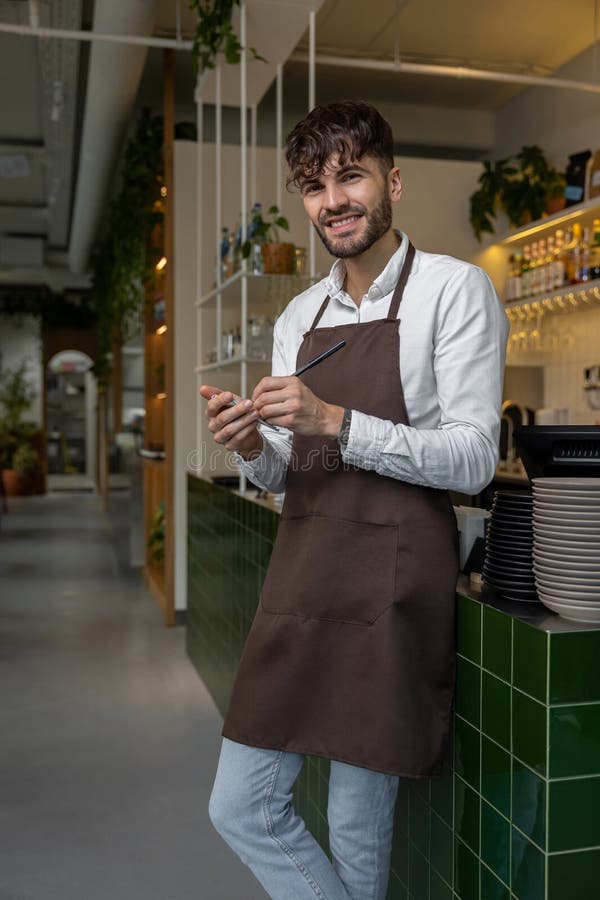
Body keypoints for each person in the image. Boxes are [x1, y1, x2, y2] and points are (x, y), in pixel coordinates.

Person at [200, 100, 509, 900]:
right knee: (241, 806)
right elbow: (284, 472)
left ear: (392, 181)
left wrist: (333, 418)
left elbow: (474, 460)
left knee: (356, 829)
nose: (331, 200)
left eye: (350, 175)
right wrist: (249, 445)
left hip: (392, 586)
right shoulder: (301, 314)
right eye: (313, 185)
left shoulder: (456, 291)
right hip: (303, 578)